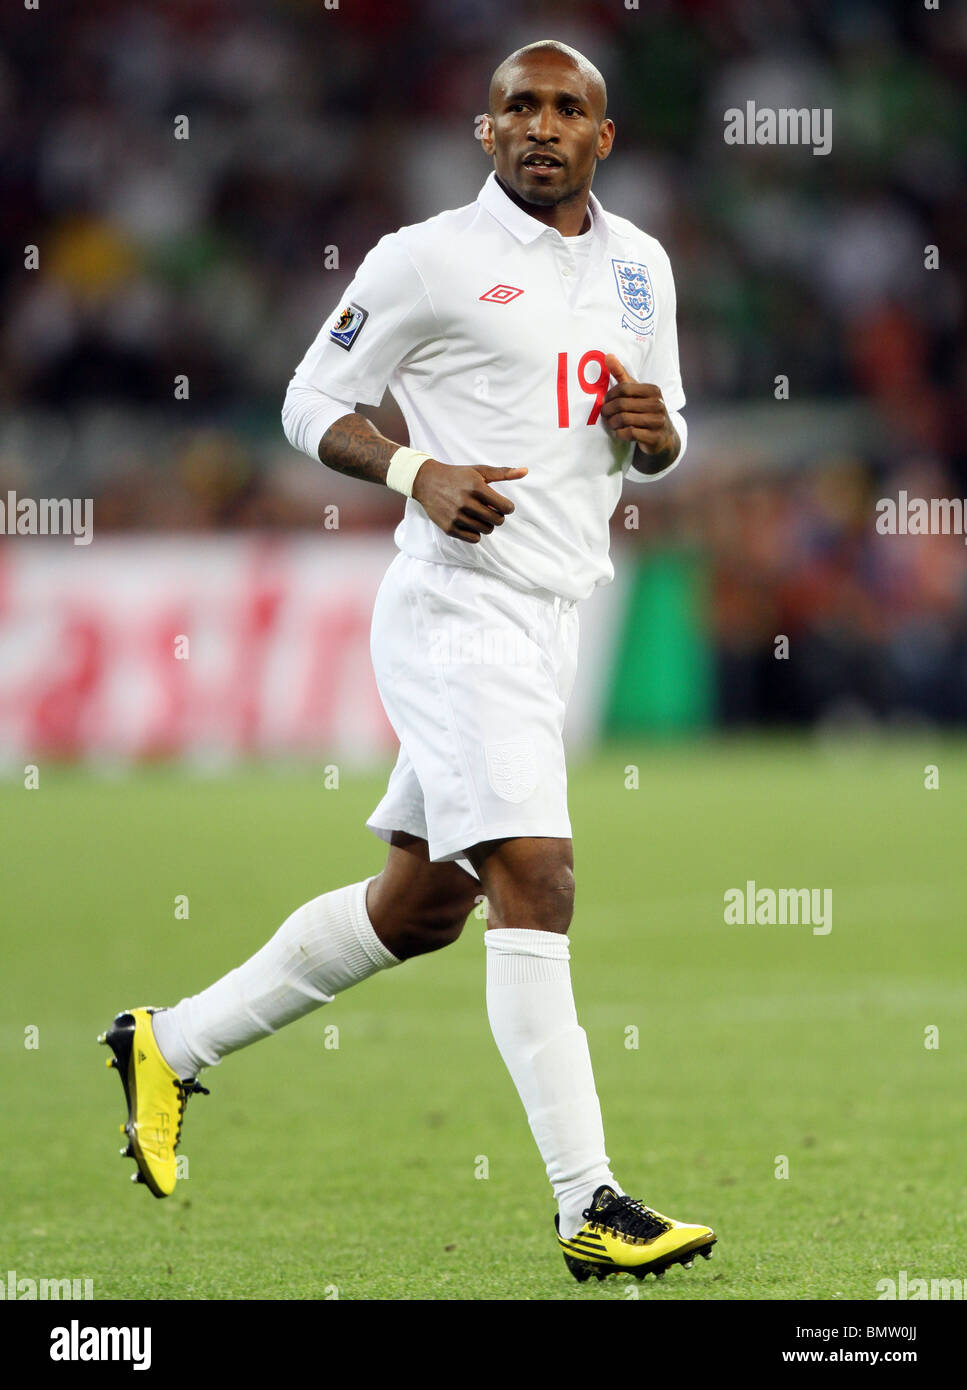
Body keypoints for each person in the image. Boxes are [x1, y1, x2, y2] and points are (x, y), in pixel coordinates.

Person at [99, 38, 716, 1284]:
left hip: (555, 615)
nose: (541, 125)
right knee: (536, 874)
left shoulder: (641, 266)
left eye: (567, 109)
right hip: (455, 607)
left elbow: (660, 434)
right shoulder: (425, 260)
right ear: (485, 134)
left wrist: (659, 440)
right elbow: (303, 399)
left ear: (604, 136)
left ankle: (170, 1042)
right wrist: (408, 470)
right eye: (517, 108)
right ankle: (587, 1201)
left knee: (422, 906)